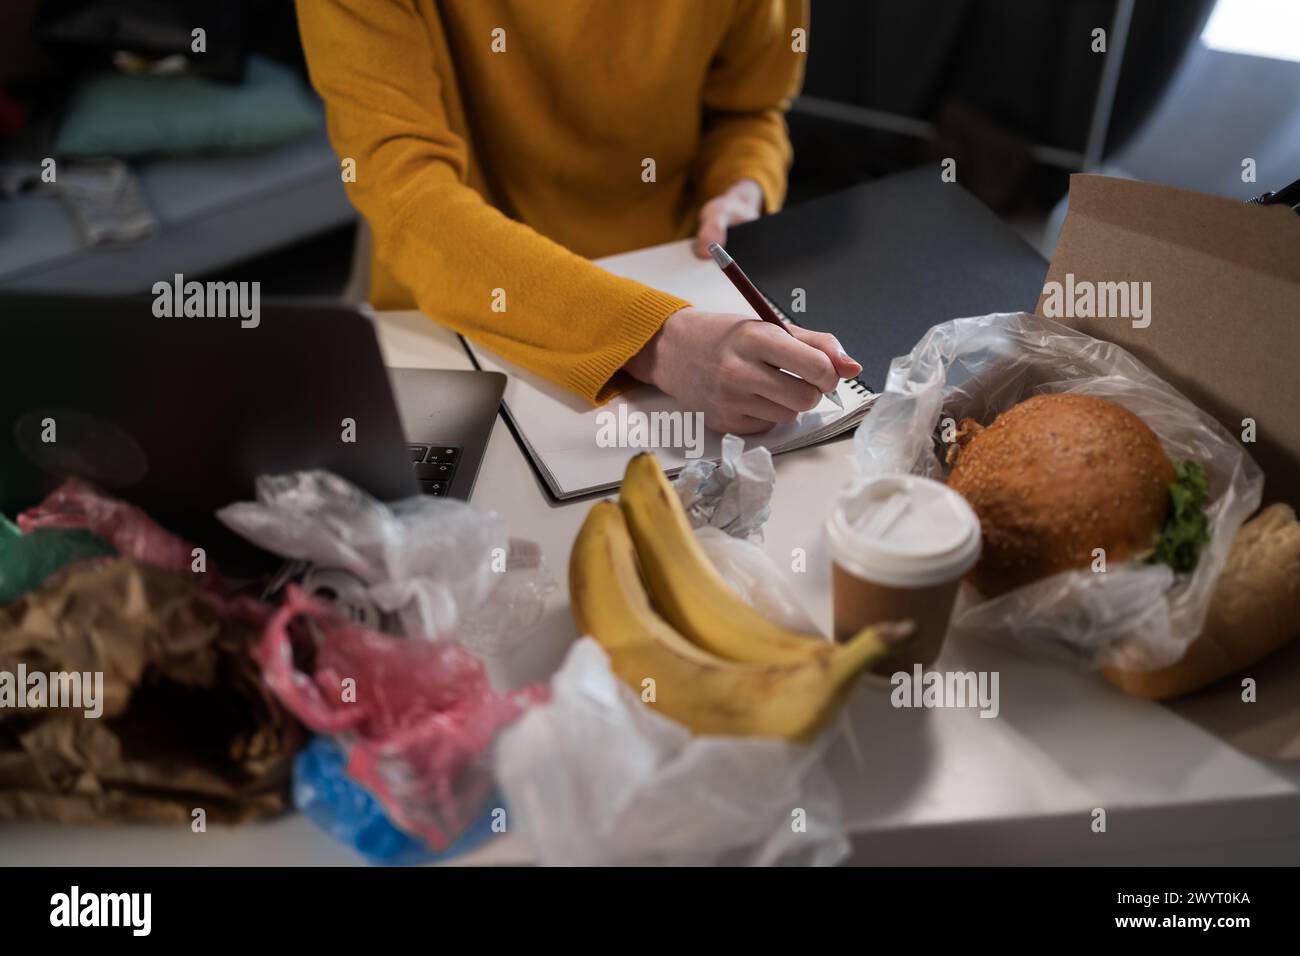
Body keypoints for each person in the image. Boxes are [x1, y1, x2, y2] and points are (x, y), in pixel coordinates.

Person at [296, 0, 861, 434]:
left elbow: (749, 109)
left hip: (678, 285)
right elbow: (406, 194)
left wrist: (741, 186)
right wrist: (649, 341)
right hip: (446, 302)